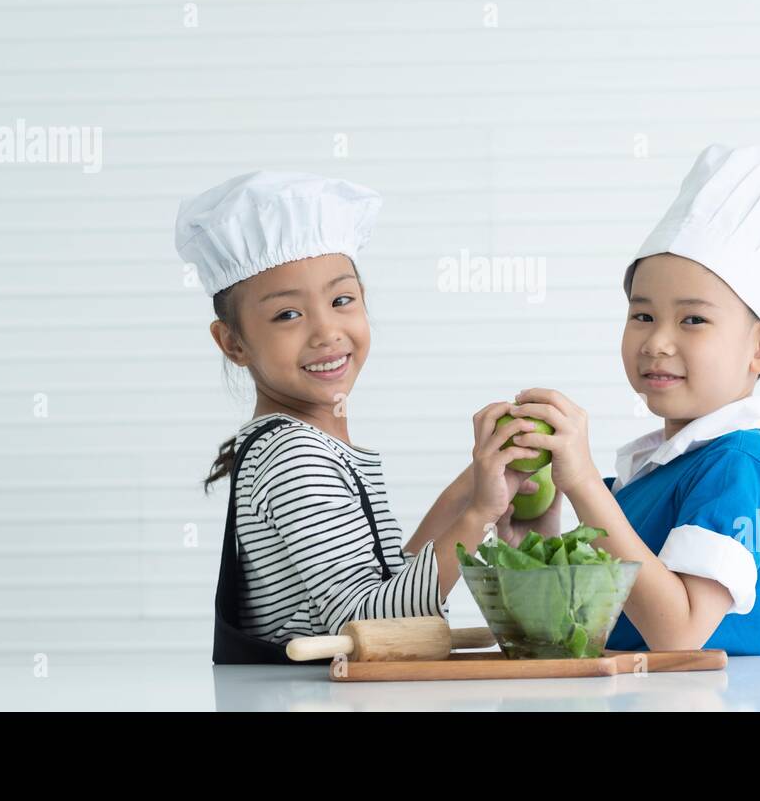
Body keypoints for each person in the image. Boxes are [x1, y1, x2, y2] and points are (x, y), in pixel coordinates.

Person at [486, 144, 760, 655]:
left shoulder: (738, 466)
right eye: (642, 315)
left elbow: (678, 634)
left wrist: (583, 483)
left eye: (693, 319)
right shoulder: (647, 475)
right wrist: (531, 531)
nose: (657, 341)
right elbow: (586, 626)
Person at [174, 171, 557, 662]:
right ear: (234, 342)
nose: (326, 331)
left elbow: (388, 587)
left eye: (341, 301)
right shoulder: (294, 455)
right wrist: (480, 513)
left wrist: (473, 486)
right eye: (288, 315)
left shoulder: (313, 446)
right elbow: (368, 626)